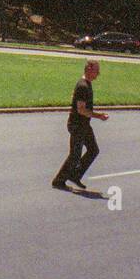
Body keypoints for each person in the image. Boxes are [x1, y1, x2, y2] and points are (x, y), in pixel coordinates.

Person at [52, 59, 108, 190]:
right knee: (75, 155)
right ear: (89, 69)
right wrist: (99, 116)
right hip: (77, 125)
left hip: (84, 125)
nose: (98, 74)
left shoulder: (85, 84)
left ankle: (75, 175)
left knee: (93, 150)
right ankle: (58, 181)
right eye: (96, 71)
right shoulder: (83, 86)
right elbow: (81, 109)